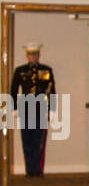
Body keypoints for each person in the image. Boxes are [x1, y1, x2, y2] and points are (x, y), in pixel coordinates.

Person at [11, 42, 55, 176]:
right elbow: (14, 90)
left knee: (39, 140)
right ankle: (29, 169)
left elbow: (51, 90)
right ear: (27, 55)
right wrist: (14, 108)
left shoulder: (45, 70)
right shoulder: (20, 71)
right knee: (27, 140)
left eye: (35, 54)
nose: (33, 57)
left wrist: (51, 109)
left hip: (41, 109)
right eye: (30, 54)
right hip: (25, 108)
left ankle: (38, 169)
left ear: (39, 55)